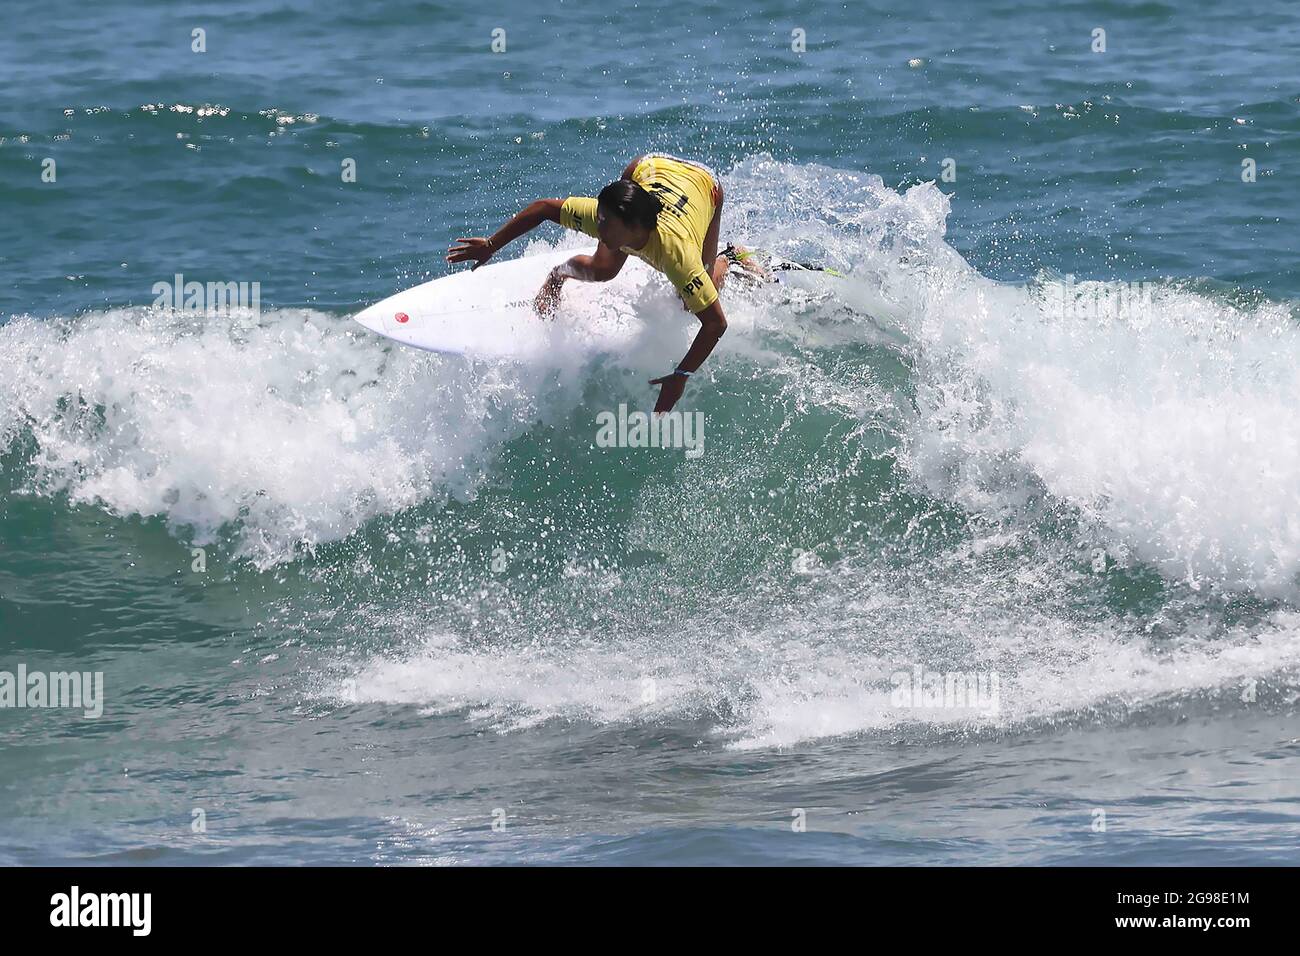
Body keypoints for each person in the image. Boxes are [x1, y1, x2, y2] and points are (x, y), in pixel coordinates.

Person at [447, 153, 730, 413]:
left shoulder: (677, 257)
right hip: (649, 167)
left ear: (633, 228)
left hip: (704, 184)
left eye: (606, 223)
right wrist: (490, 245)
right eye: (600, 217)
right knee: (602, 269)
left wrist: (681, 376)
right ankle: (557, 276)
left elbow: (716, 324)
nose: (598, 226)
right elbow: (543, 208)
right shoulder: (608, 217)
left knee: (689, 304)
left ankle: (729, 258)